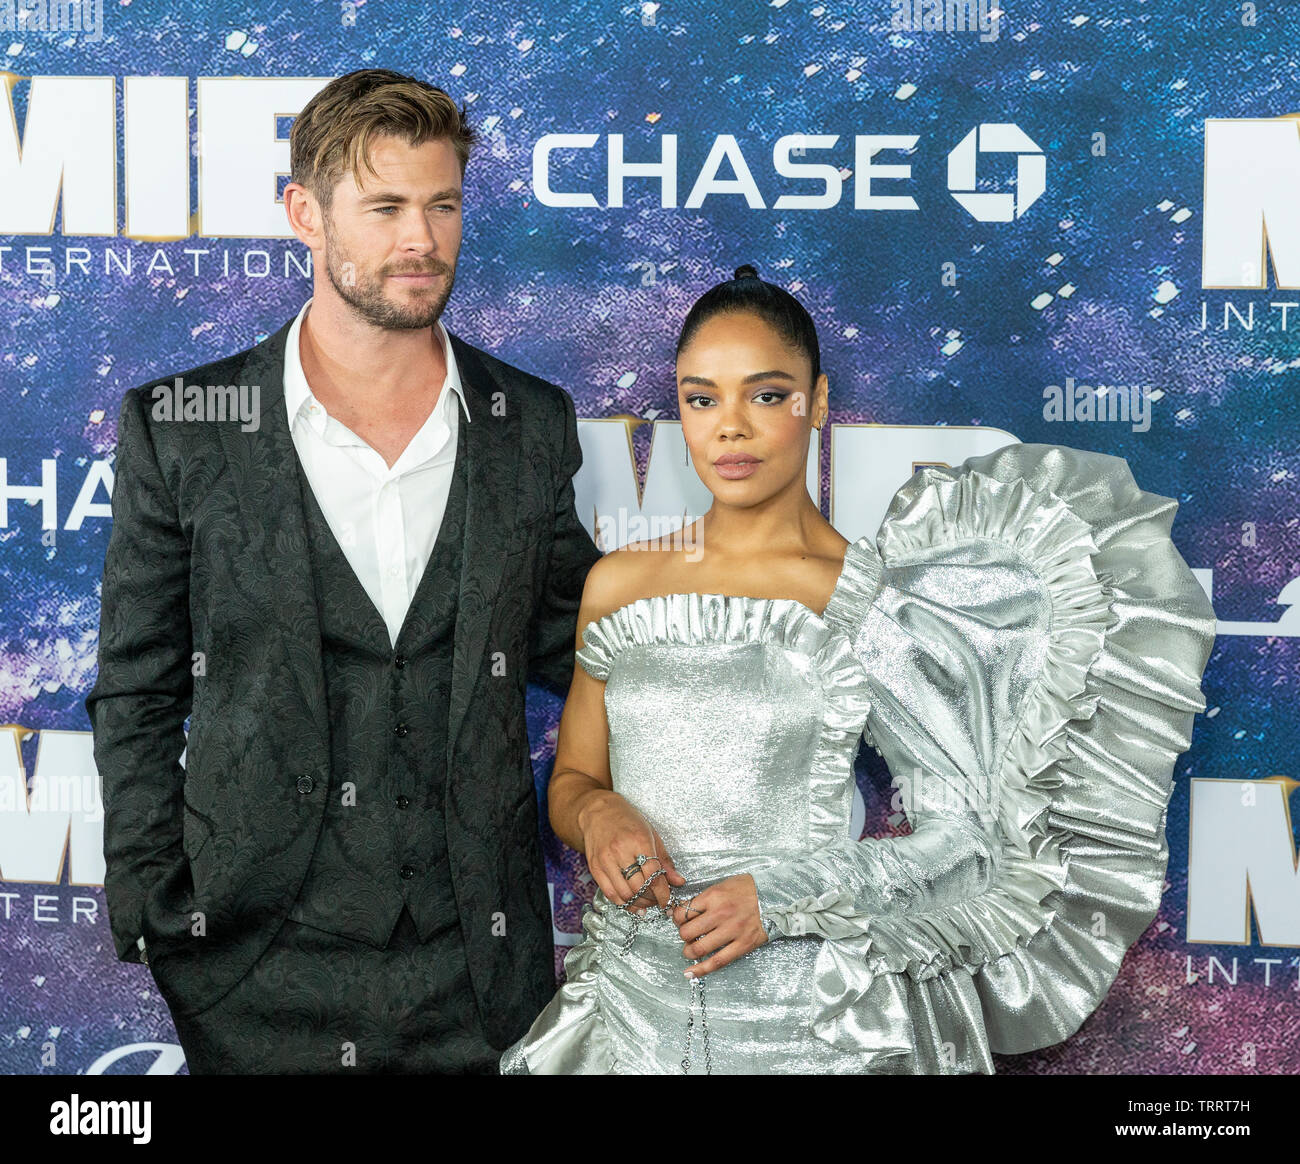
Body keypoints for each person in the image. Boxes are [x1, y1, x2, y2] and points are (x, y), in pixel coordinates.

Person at [501, 264, 1217, 1074]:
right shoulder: (618, 582)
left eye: (766, 395)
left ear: (820, 401)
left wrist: (781, 896)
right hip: (631, 1012)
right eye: (702, 399)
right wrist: (596, 817)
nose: (729, 428)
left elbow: (969, 846)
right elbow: (573, 781)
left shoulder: (870, 598)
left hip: (811, 1025)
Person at [85, 68, 602, 1073]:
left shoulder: (525, 423)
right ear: (304, 214)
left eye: (443, 205)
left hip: (479, 972)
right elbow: (138, 689)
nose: (422, 239)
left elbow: (579, 645)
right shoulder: (186, 426)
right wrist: (157, 906)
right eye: (387, 207)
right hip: (250, 968)